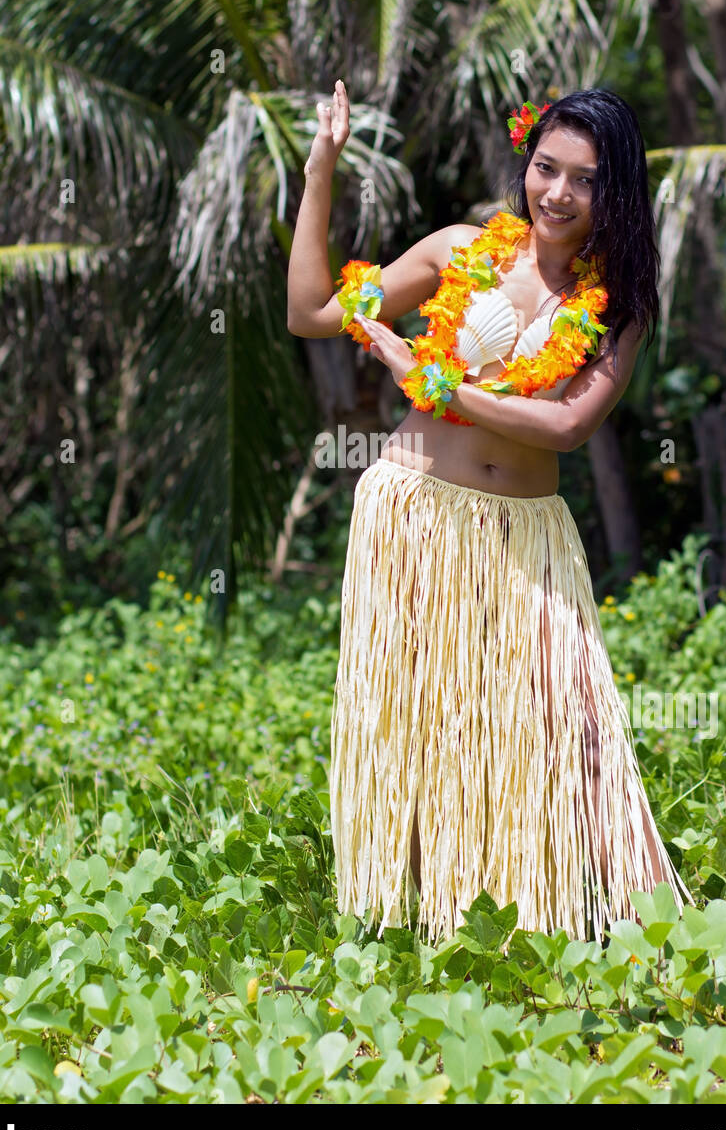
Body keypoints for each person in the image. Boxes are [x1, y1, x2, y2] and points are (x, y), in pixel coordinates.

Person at [287, 79, 694, 947]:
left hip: (525, 535)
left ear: (612, 192)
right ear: (527, 163)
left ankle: (648, 924)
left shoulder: (617, 310)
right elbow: (314, 313)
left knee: (575, 720)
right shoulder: (457, 251)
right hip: (412, 514)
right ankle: (427, 912)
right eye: (546, 167)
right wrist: (322, 168)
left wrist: (441, 388)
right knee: (425, 718)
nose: (557, 192)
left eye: (583, 179)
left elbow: (569, 425)